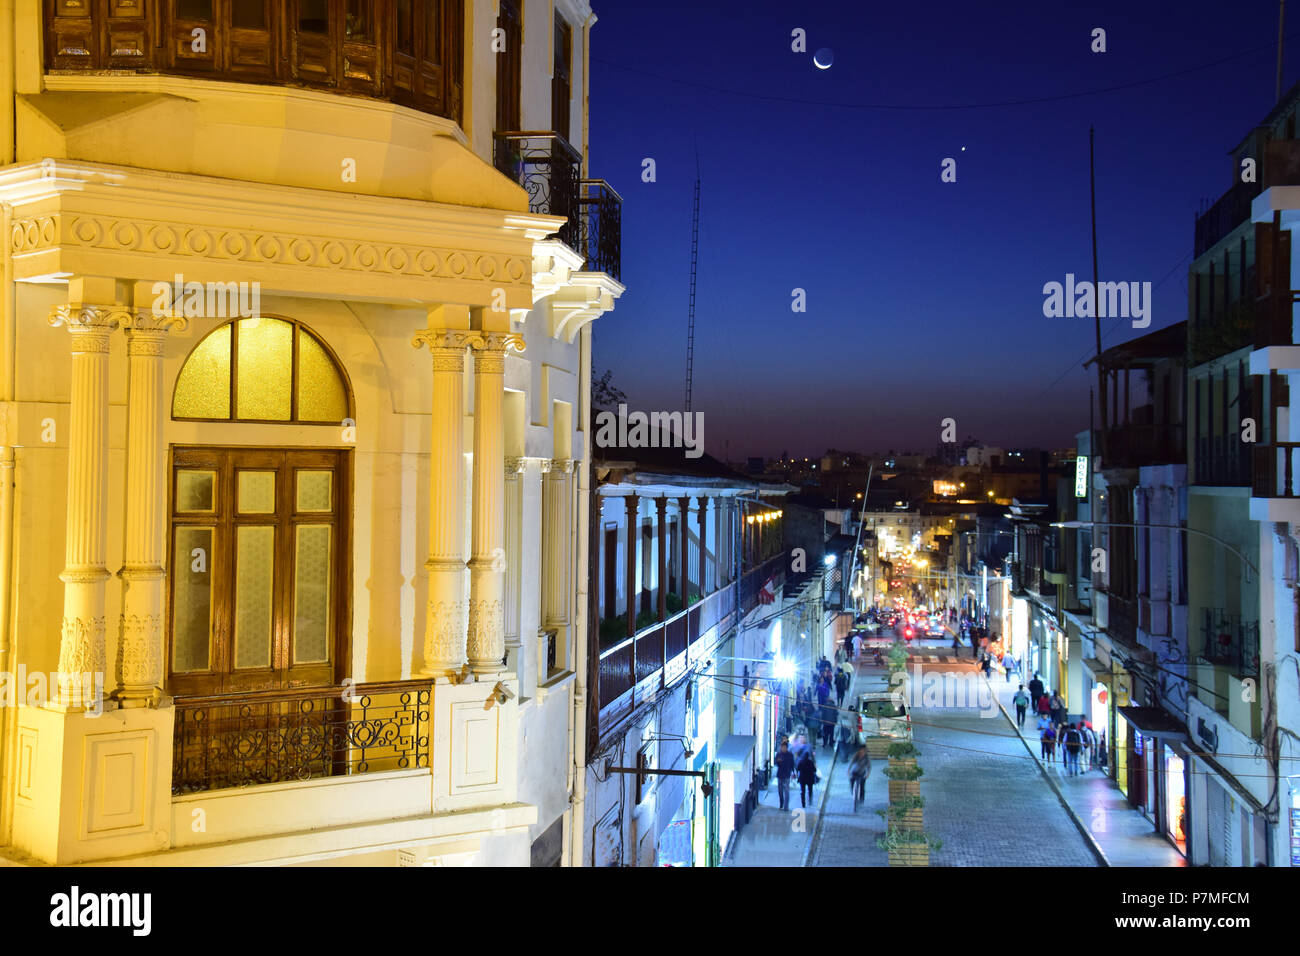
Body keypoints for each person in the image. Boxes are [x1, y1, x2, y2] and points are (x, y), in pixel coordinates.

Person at [774, 740, 795, 810]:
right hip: (780, 775)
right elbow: (776, 763)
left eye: (785, 747)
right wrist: (778, 761)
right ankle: (781, 803)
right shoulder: (778, 754)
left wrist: (793, 772)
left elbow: (792, 764)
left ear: (787, 747)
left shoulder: (790, 755)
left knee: (786, 791)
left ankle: (786, 806)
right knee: (780, 791)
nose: (783, 748)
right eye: (782, 747)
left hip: (787, 775)